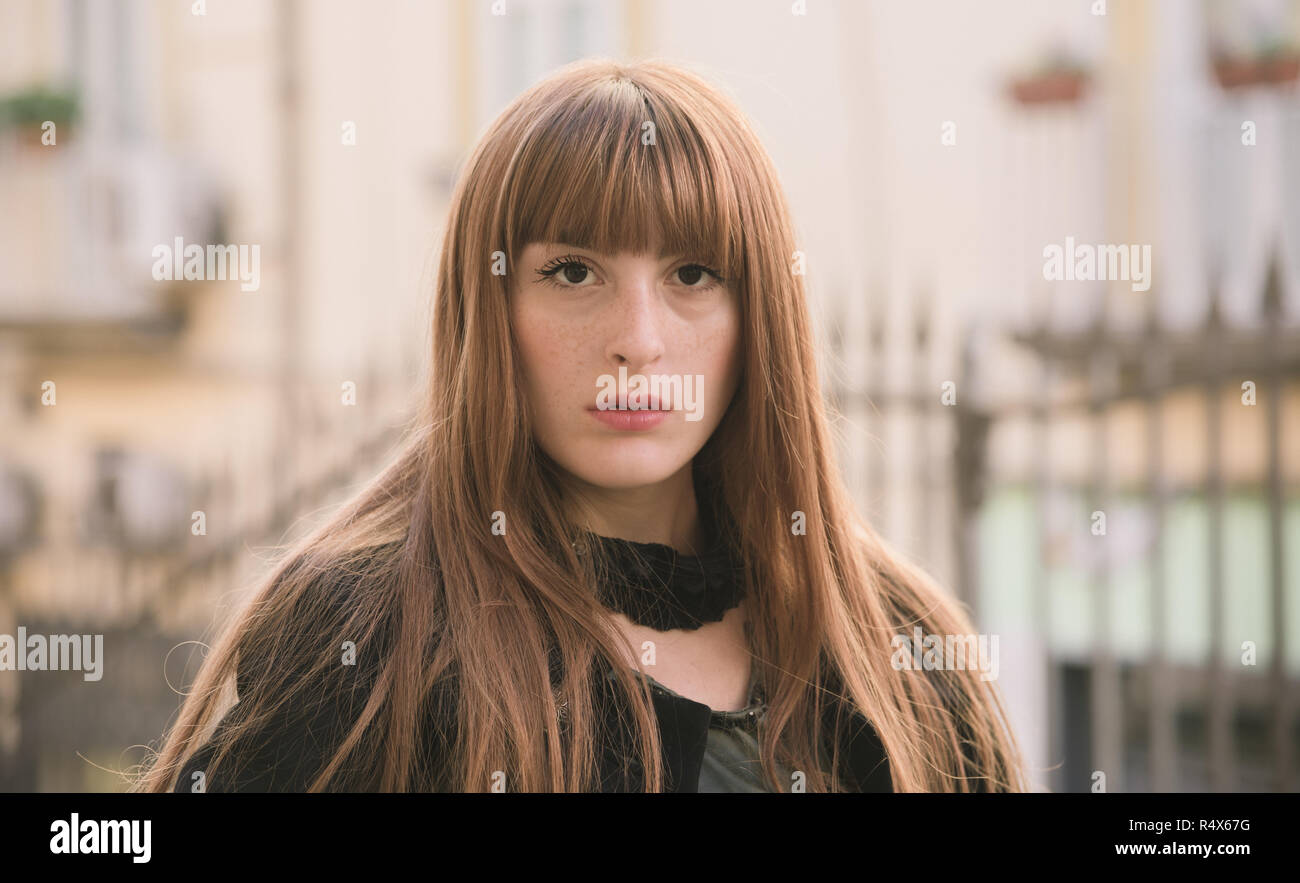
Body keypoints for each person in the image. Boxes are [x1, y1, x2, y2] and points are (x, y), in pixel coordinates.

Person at [138, 58, 1027, 793]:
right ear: (491, 309)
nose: (638, 341)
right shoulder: (370, 639)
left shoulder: (902, 651)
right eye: (572, 273)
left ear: (760, 314)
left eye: (693, 274)